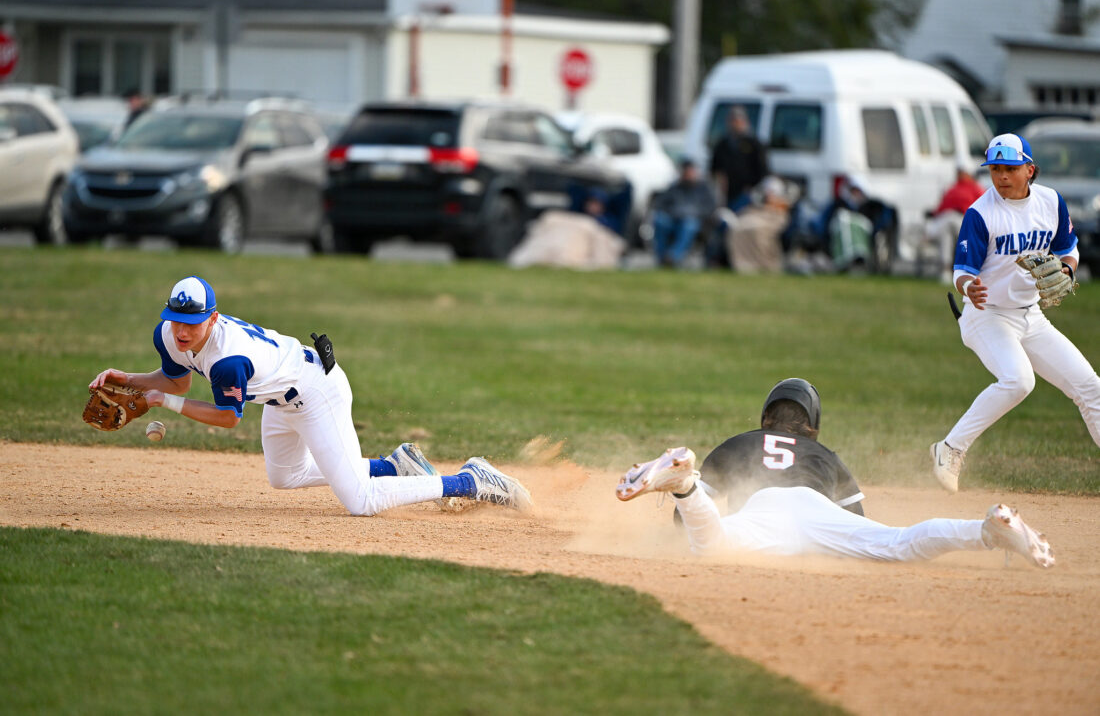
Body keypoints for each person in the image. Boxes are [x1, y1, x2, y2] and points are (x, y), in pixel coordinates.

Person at [89, 275, 533, 516]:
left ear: (213, 317)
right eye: (176, 320)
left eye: (194, 321)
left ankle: (471, 481)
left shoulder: (228, 360)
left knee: (361, 502)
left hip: (317, 391)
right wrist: (128, 379)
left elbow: (228, 419)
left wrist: (161, 404)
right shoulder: (169, 337)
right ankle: (393, 466)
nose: (183, 331)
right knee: (284, 477)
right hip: (281, 397)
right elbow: (177, 381)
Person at [617, 378, 1055, 568]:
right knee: (898, 543)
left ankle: (685, 485)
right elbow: (858, 523)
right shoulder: (825, 455)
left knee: (710, 545)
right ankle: (987, 530)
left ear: (766, 416)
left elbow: (681, 531)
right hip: (817, 510)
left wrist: (685, 517)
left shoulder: (738, 443)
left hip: (761, 510)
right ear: (812, 421)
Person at [930, 134, 1100, 492]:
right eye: (995, 169)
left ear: (1030, 169)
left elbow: (1069, 249)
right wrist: (967, 286)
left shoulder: (1051, 202)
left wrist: (1067, 269)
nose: (1001, 176)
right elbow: (961, 269)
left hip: (1031, 316)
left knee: (1090, 387)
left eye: (1010, 168)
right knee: (1019, 380)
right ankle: (949, 449)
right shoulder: (981, 213)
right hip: (986, 315)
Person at [707, 106, 768, 266]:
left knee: (737, 224)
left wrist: (751, 188)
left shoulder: (754, 144)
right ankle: (718, 257)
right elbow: (714, 170)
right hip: (726, 193)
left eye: (738, 121)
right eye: (732, 121)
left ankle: (735, 258)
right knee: (721, 223)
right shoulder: (723, 144)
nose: (735, 124)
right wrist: (719, 184)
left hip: (747, 195)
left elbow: (763, 172)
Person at [649, 157, 718, 268]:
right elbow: (660, 204)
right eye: (685, 171)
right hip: (673, 219)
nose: (688, 174)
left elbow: (710, 208)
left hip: (693, 220)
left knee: (689, 225)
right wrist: (672, 212)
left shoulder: (704, 189)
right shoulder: (675, 187)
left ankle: (672, 257)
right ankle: (661, 257)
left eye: (690, 171)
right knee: (660, 220)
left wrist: (693, 213)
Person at [925, 163, 987, 282]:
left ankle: (946, 268)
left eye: (962, 171)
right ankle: (948, 269)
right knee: (946, 232)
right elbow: (940, 208)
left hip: (964, 221)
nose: (960, 174)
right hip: (947, 220)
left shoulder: (976, 188)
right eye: (959, 172)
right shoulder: (952, 188)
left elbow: (984, 209)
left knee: (949, 225)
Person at [726, 176, 794, 274]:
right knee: (737, 227)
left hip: (770, 220)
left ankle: (764, 264)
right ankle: (744, 264)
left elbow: (780, 217)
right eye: (768, 191)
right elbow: (753, 209)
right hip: (756, 215)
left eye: (772, 192)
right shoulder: (757, 199)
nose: (770, 195)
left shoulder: (783, 203)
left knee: (757, 230)